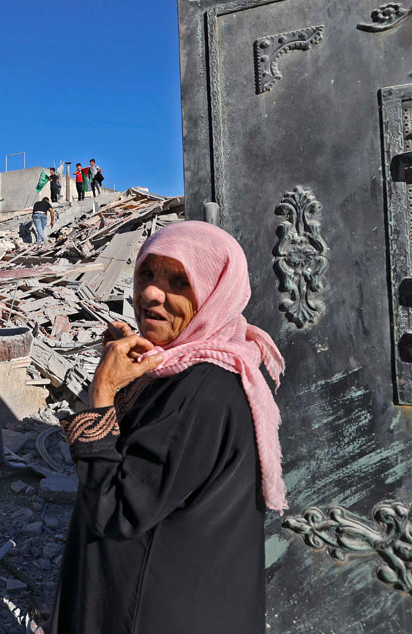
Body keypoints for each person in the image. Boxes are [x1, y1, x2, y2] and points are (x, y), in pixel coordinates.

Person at [51, 220, 287, 634]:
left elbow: (116, 510)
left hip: (151, 609)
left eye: (179, 281)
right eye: (147, 273)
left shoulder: (200, 390)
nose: (151, 293)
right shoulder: (195, 364)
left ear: (215, 292)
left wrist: (103, 390)